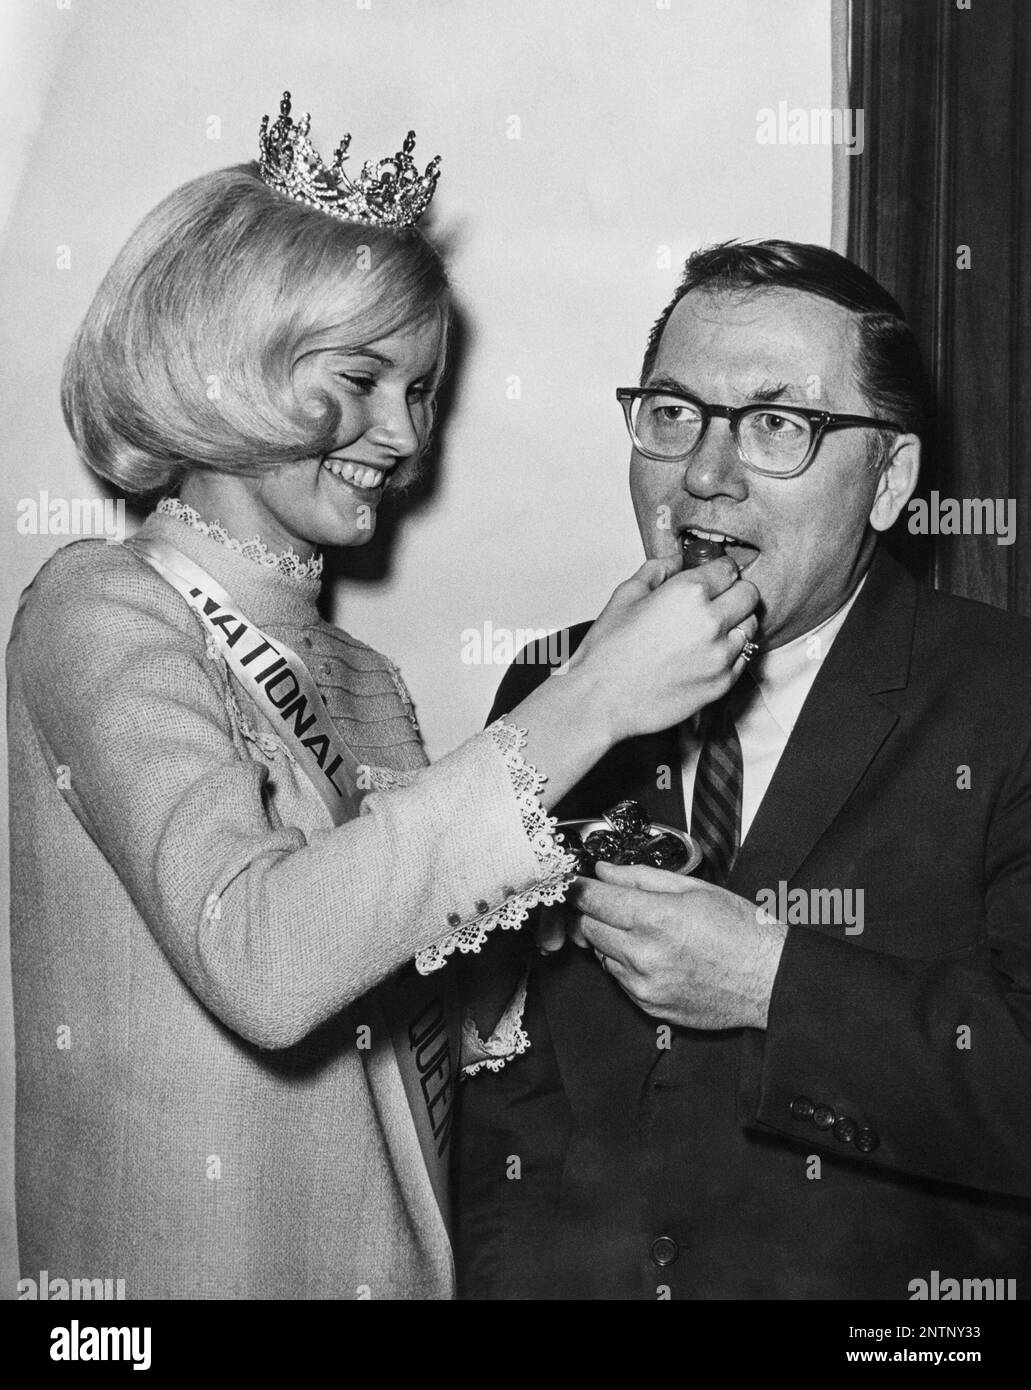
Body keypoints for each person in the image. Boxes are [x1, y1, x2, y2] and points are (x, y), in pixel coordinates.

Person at [7, 95, 760, 1300]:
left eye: (419, 392)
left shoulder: (365, 680)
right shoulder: (100, 610)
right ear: (225, 359)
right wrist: (584, 703)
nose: (401, 434)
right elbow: (259, 959)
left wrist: (546, 907)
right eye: (361, 380)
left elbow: (387, 1011)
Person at [454, 239, 1031, 1300]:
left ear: (890, 480)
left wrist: (772, 983)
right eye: (672, 414)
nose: (704, 475)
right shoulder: (554, 681)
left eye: (777, 424)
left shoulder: (1006, 699)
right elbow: (502, 1070)